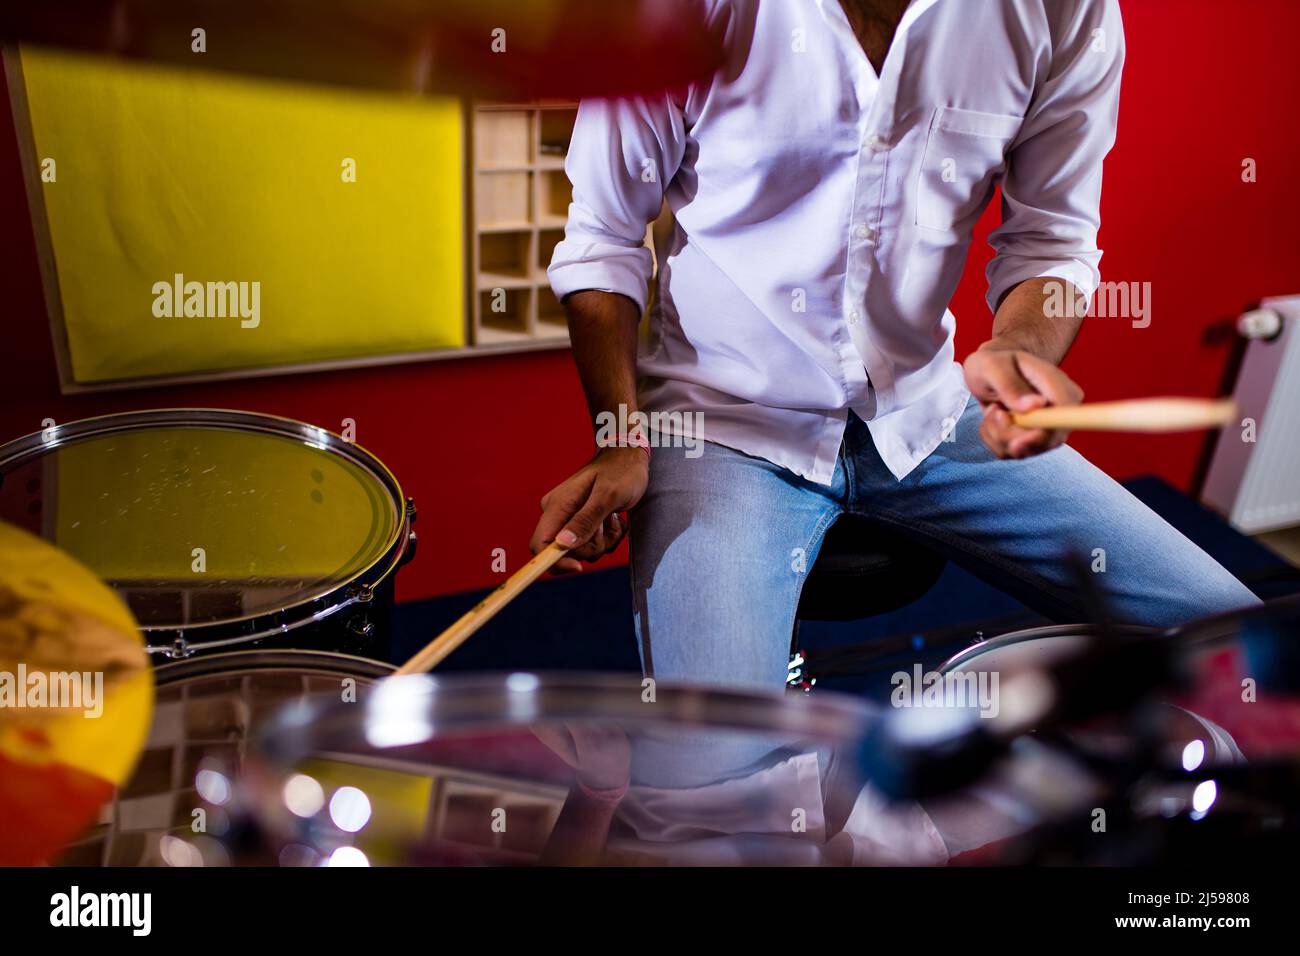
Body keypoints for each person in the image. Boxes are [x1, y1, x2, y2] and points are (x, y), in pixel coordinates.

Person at [531, 0, 1259, 696]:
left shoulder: (1064, 10)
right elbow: (604, 236)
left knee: (1248, 652)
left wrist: (1021, 350)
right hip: (724, 426)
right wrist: (620, 438)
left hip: (926, 414)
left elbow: (1053, 242)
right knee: (712, 792)